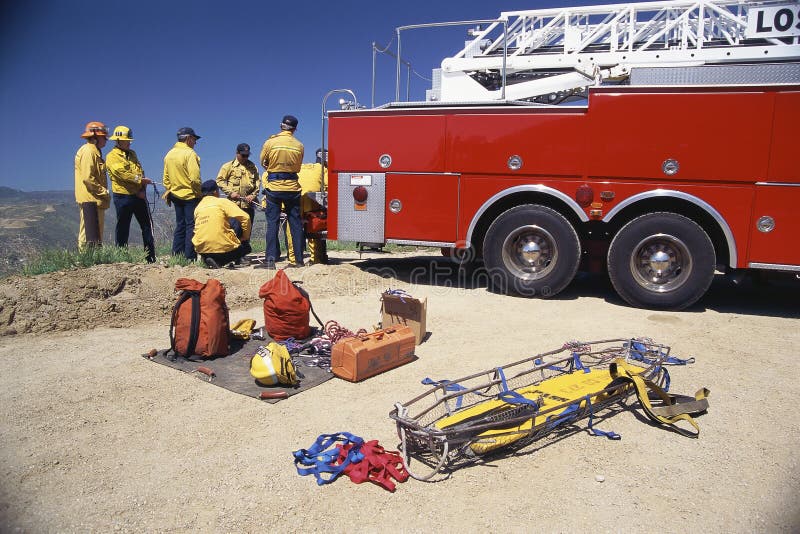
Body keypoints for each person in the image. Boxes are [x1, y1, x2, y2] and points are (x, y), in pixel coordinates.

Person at [105, 125, 156, 263]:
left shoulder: (133, 154)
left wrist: (142, 189)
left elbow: (140, 171)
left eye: (129, 140)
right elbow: (122, 174)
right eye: (127, 140)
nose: (129, 143)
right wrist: (140, 180)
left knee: (147, 226)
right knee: (123, 227)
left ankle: (150, 258)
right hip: (123, 196)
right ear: (118, 140)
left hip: (138, 195)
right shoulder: (111, 157)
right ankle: (121, 258)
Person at [260, 115, 304, 267]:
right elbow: (298, 167)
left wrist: (274, 169)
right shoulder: (299, 145)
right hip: (293, 188)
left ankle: (270, 261)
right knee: (295, 224)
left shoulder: (270, 142)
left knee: (273, 224)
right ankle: (299, 261)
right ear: (295, 129)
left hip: (274, 187)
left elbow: (263, 162)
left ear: (281, 126)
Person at [192, 180, 252, 268]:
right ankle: (220, 262)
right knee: (246, 248)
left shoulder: (198, 208)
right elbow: (246, 218)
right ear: (215, 192)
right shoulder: (222, 202)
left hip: (202, 249)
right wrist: (245, 237)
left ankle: (208, 258)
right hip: (221, 248)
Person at [163, 127, 202, 260]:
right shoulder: (190, 154)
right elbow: (195, 178)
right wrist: (199, 194)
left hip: (175, 195)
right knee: (191, 226)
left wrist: (171, 189)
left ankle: (177, 256)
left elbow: (165, 179)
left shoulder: (169, 154)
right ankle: (189, 257)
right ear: (188, 138)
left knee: (180, 225)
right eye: (194, 139)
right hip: (190, 195)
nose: (195, 142)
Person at [287, 147, 328, 265]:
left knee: (293, 228)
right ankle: (315, 259)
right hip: (312, 198)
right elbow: (328, 186)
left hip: (295, 196)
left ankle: (294, 260)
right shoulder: (323, 169)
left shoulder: (299, 167)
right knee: (313, 226)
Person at [74, 121, 110, 250]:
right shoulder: (88, 151)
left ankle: (94, 257)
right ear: (95, 137)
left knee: (95, 234)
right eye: (103, 136)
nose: (106, 139)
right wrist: (103, 191)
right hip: (90, 200)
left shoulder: (94, 152)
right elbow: (88, 178)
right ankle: (85, 257)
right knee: (88, 233)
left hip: (95, 199)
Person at [216, 142, 259, 234]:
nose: (245, 158)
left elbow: (257, 183)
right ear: (237, 153)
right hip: (233, 206)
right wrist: (230, 192)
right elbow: (220, 181)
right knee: (234, 232)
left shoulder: (253, 167)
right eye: (243, 155)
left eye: (247, 155)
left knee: (246, 233)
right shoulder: (228, 166)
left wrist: (253, 195)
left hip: (248, 206)